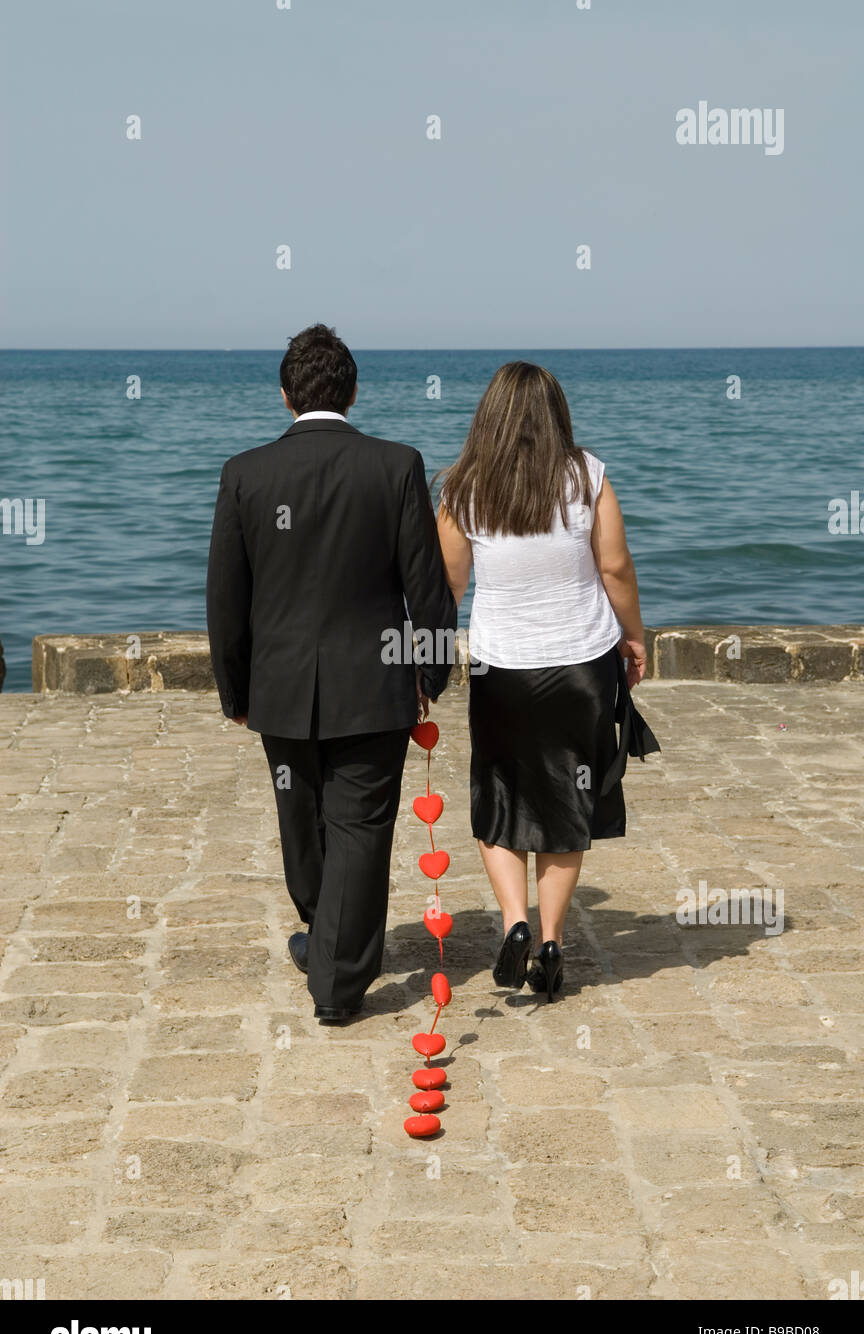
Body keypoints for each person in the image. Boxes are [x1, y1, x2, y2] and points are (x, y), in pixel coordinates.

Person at [206, 324, 456, 1022]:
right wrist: (430, 673)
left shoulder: (245, 473)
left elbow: (225, 596)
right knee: (360, 827)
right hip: (375, 684)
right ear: (351, 391)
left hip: (278, 686)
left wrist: (234, 689)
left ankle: (334, 974)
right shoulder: (396, 465)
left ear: (285, 394)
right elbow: (426, 588)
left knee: (304, 821)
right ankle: (333, 952)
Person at [437, 361, 658, 1002]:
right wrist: (635, 635)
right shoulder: (587, 475)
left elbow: (448, 587)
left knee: (499, 798)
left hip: (502, 668)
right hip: (582, 665)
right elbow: (614, 566)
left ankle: (514, 926)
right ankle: (552, 942)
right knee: (566, 803)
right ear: (555, 412)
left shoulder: (462, 487)